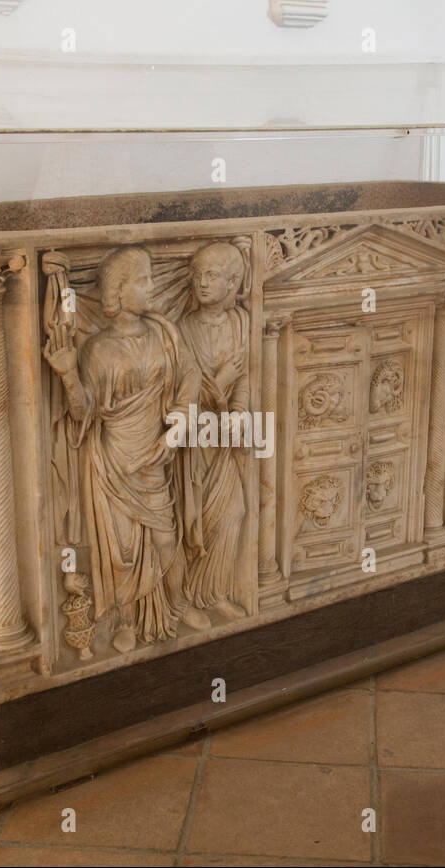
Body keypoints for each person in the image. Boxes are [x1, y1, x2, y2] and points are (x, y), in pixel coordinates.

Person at [43, 245, 208, 653]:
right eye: (143, 280)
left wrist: (179, 424)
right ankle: (127, 620)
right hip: (113, 461)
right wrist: (67, 376)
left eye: (152, 278)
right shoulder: (97, 349)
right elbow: (84, 412)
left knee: (167, 538)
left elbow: (190, 375)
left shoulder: (164, 334)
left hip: (155, 455)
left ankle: (177, 604)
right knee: (123, 551)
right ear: (117, 291)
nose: (151, 287)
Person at [177, 242, 249, 620]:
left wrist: (236, 413)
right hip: (195, 440)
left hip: (228, 438)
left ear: (232, 281)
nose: (202, 283)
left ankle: (216, 592)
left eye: (212, 276)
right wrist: (221, 383)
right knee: (195, 519)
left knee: (233, 512)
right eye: (197, 275)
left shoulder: (241, 322)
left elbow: (247, 376)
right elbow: (184, 386)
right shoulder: (183, 329)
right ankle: (187, 599)